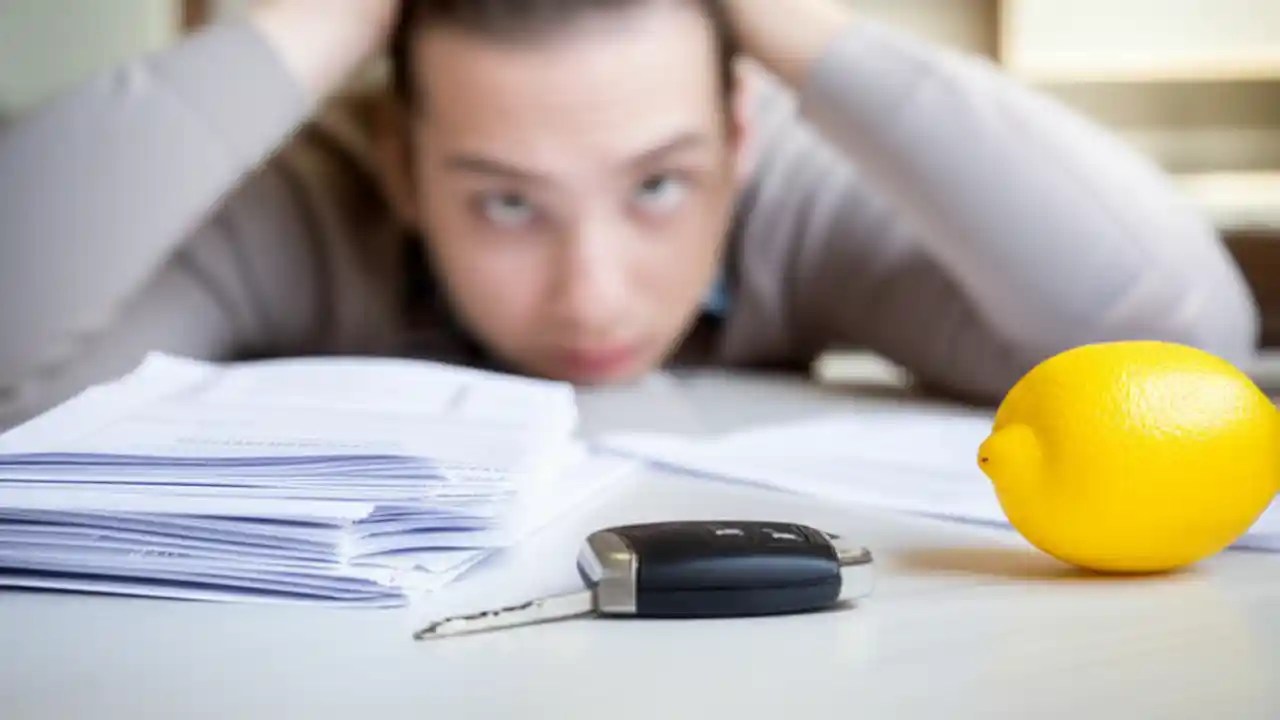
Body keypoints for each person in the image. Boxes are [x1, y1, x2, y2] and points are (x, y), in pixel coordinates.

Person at [0, 0, 1258, 430]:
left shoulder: (795, 198)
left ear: (736, 134)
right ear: (397, 158)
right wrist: (318, 25)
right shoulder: (302, 200)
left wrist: (788, 26)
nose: (593, 296)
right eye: (503, 202)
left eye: (659, 185)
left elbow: (1172, 353)